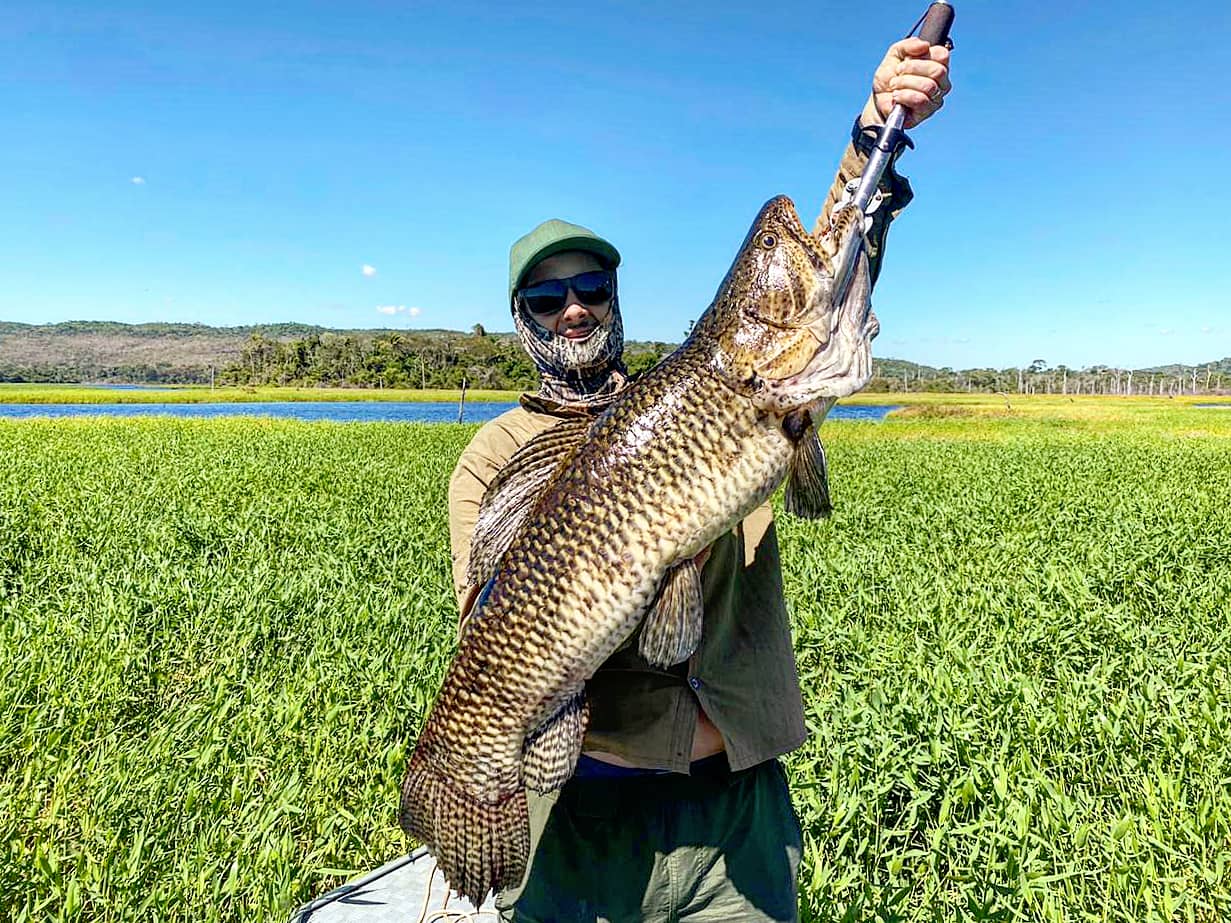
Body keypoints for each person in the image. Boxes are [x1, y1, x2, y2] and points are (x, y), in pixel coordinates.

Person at [447, 38, 951, 923]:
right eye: (546, 297)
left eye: (591, 287)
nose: (574, 307)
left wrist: (874, 132)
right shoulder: (495, 453)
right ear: (521, 319)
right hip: (579, 823)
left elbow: (819, 276)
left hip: (735, 814)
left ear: (613, 297)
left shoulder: (730, 385)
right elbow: (486, 628)